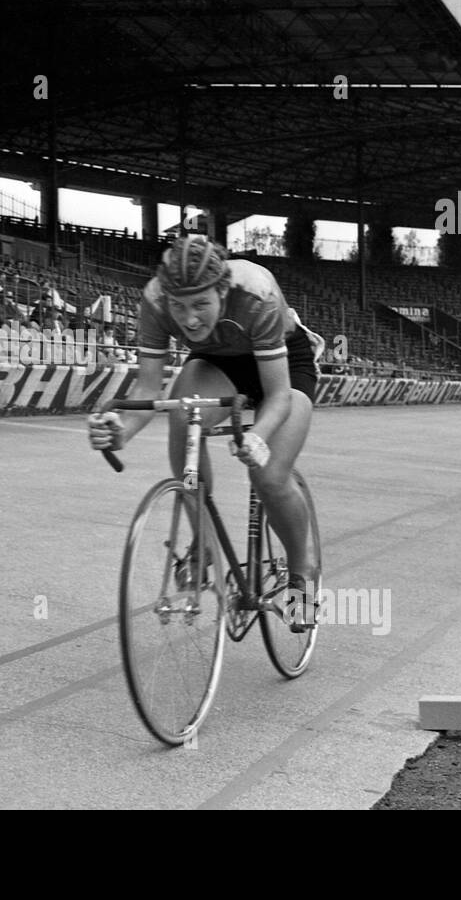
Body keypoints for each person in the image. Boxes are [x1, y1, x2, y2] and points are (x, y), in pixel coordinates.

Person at [87, 234, 326, 630]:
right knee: (183, 413)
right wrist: (120, 433)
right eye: (179, 307)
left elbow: (278, 395)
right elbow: (148, 390)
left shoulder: (255, 290)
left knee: (268, 474)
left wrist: (257, 437)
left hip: (283, 367)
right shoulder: (154, 298)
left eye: (201, 304)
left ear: (222, 289)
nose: (189, 318)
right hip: (218, 363)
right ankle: (204, 544)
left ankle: (303, 567)